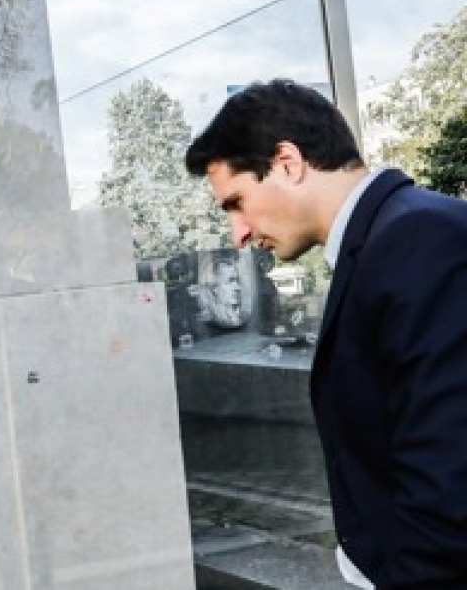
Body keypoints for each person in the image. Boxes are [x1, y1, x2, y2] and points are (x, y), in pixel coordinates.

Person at [184, 79, 467, 589]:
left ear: (288, 162)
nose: (239, 233)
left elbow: (450, 484)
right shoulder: (389, 238)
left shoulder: (418, 240)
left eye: (237, 202)